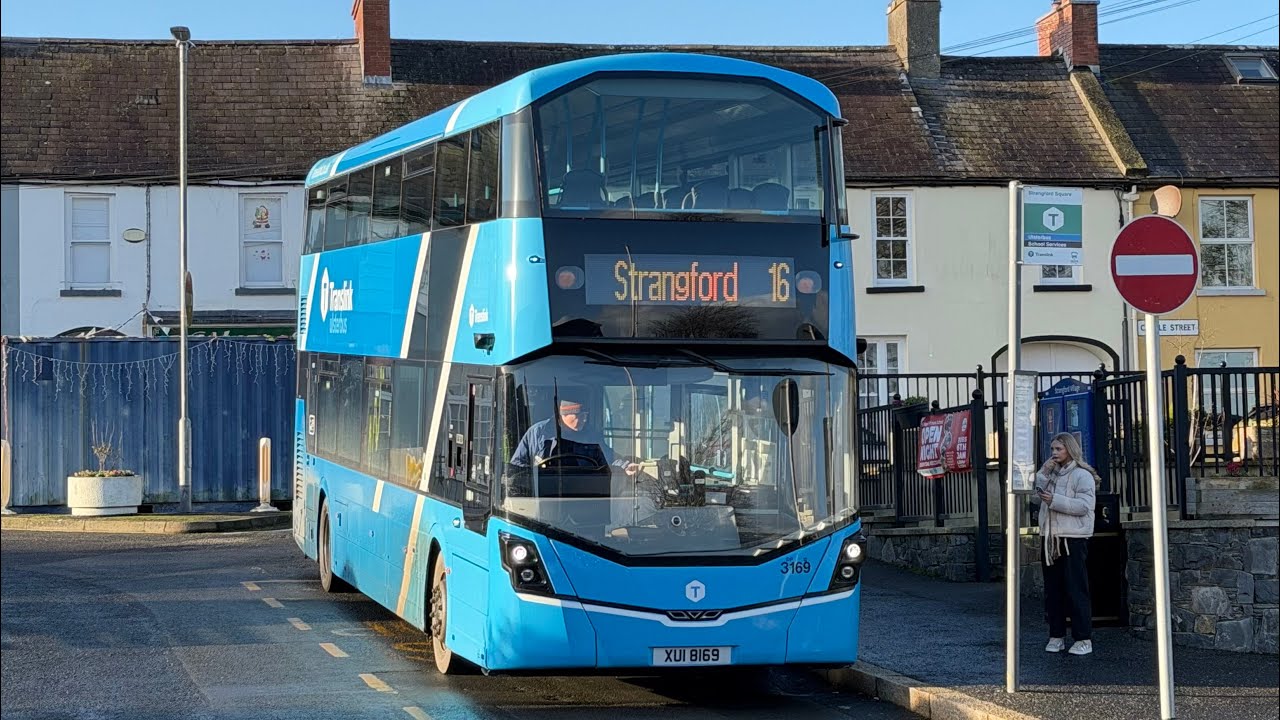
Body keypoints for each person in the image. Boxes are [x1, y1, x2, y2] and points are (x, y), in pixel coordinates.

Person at [1033, 432, 1100, 657]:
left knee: (1075, 588)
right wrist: (1043, 474)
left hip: (1072, 537)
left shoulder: (1082, 475)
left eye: (1058, 449)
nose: (1054, 453)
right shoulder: (1052, 474)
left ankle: (1083, 638)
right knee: (1053, 590)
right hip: (1050, 537)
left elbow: (1085, 505)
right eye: (1052, 449)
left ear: (1070, 450)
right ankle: (1056, 635)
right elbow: (1035, 498)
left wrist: (1056, 501)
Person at [510, 397, 640, 476]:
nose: (584, 420)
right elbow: (517, 465)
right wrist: (535, 475)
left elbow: (609, 458)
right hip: (544, 495)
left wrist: (625, 466)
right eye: (579, 416)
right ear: (563, 415)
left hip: (584, 493)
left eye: (586, 416)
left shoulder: (591, 436)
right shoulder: (537, 432)